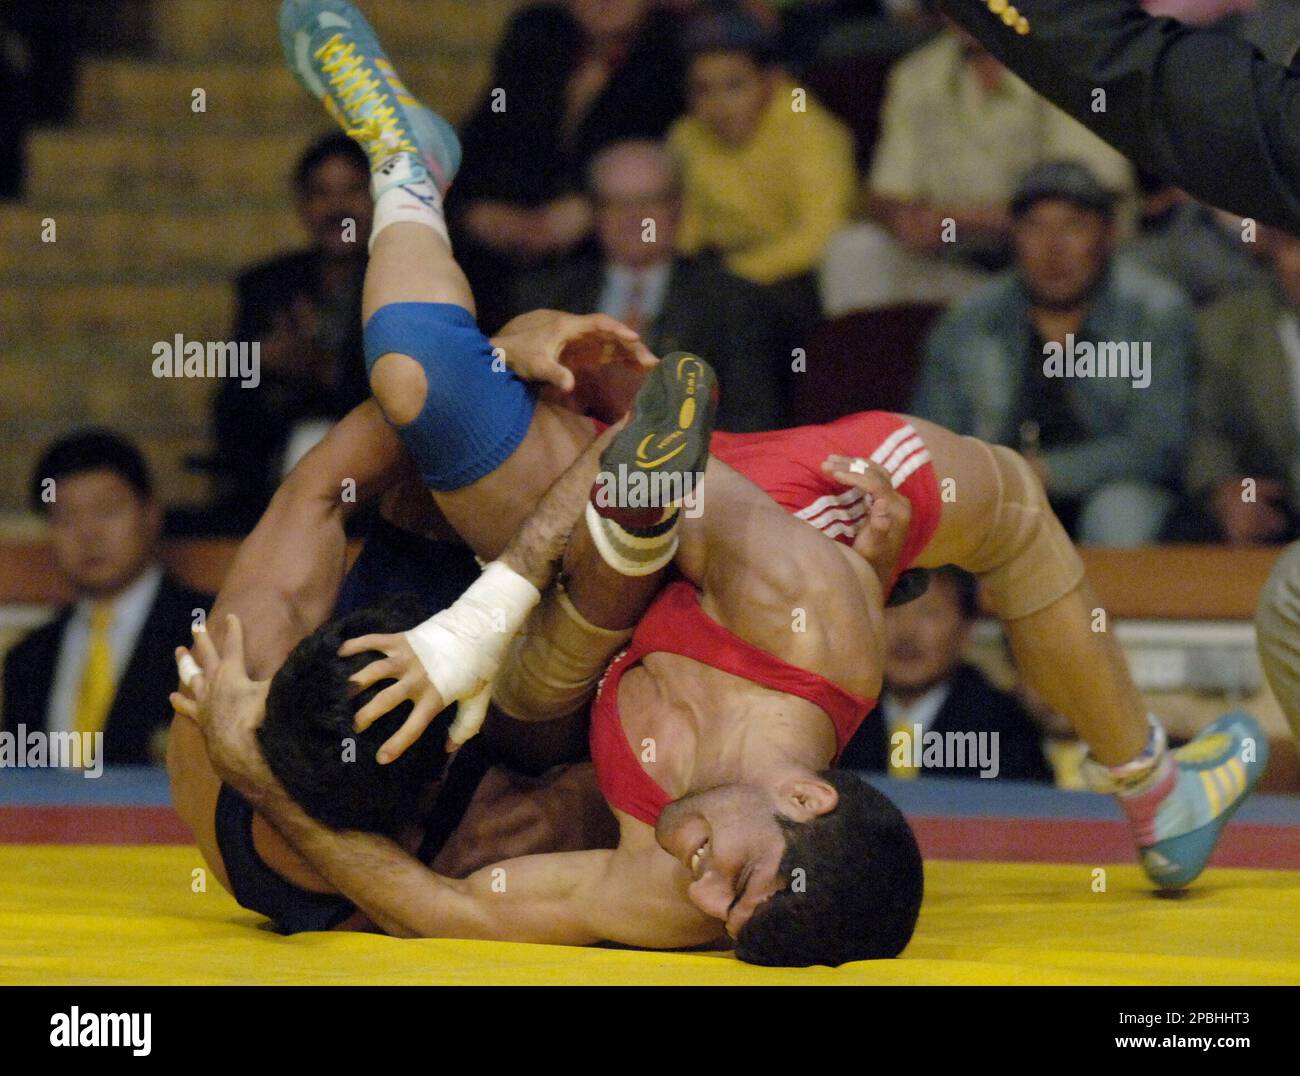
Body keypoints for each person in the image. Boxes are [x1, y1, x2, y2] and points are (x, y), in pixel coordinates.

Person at [177, 0, 1267, 965]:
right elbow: (655, 440)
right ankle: (1152, 783)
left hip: (586, 626)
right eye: (733, 880)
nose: (702, 888)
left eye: (722, 913)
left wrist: (265, 769)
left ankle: (1157, 797)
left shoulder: (672, 893)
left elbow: (445, 907)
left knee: (447, 427)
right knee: (1006, 503)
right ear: (803, 796)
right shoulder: (804, 610)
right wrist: (516, 374)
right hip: (751, 514)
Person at [913, 159, 1194, 546]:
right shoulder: (968, 322)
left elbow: (1157, 447)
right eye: (1035, 227)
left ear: (1108, 235)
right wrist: (994, 478)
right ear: (1014, 237)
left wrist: (1045, 473)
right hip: (996, 491)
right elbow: (932, 441)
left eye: (1074, 226)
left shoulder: (1154, 313)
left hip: (1115, 491)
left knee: (1119, 515)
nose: (1053, 248)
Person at [820, 25, 1132, 315]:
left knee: (1062, 242)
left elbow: (1082, 202)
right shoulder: (917, 71)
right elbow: (887, 192)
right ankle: (877, 370)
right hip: (958, 260)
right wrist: (901, 219)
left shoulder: (1068, 59)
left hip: (1059, 260)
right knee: (853, 252)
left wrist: (961, 219)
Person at [511, 139, 788, 431]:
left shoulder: (732, 301)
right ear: (595, 213)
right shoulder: (542, 296)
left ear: (678, 207)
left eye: (650, 201)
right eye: (617, 203)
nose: (634, 218)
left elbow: (755, 420)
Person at [447, 0, 687, 331]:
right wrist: (474, 209)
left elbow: (667, 154)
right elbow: (483, 136)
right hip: (508, 235)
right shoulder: (537, 40)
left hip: (604, 238)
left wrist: (595, 207)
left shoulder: (672, 52)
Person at [3, 431, 211, 764]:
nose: (88, 534)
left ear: (150, 515)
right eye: (66, 517)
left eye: (107, 510)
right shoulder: (27, 659)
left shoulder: (208, 629)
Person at [210, 131, 373, 530]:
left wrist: (326, 371)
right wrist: (264, 368)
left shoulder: (410, 282)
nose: (338, 208)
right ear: (302, 204)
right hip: (275, 484)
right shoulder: (267, 286)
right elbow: (228, 413)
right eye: (321, 193)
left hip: (377, 487)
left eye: (352, 190)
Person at [669, 7, 856, 339]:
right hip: (721, 271)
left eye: (734, 86)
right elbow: (688, 228)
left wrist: (736, 275)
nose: (718, 105)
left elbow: (821, 235)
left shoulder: (813, 132)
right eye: (702, 90)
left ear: (771, 81)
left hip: (802, 278)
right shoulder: (686, 135)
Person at [840, 566, 1055, 782]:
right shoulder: (840, 718)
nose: (907, 630)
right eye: (893, 608)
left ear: (966, 629)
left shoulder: (1004, 726)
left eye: (929, 612)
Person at [1175, 228, 1300, 544]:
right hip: (1277, 511)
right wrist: (1228, 493)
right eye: (1292, 244)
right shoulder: (1225, 328)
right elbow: (1210, 434)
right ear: (1269, 249)